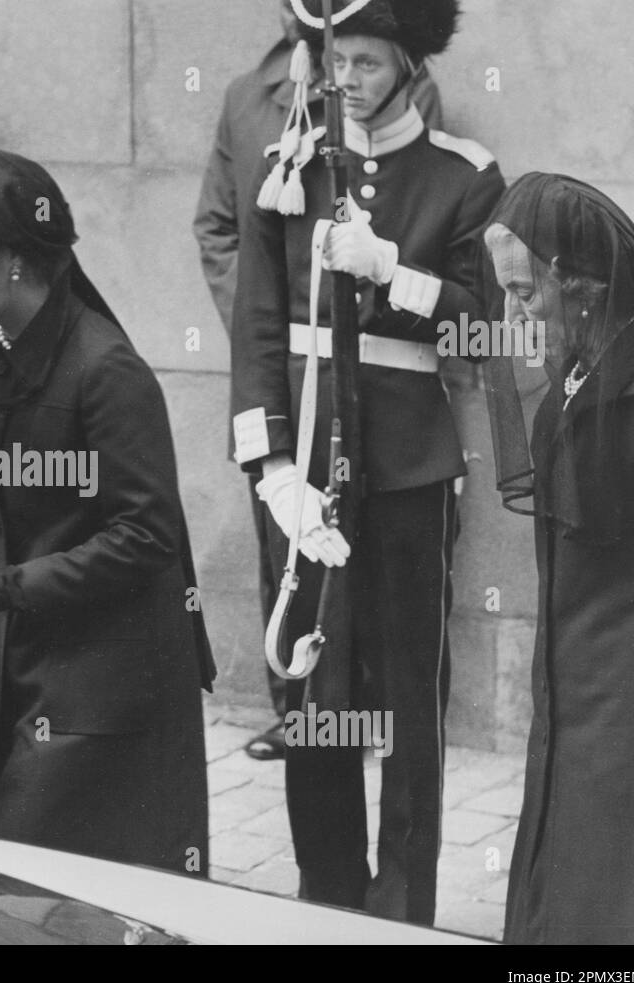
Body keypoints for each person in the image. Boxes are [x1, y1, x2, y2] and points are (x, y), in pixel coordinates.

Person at [230, 0, 504, 924]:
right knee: (315, 685)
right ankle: (328, 890)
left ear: (410, 66)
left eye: (367, 64)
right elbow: (259, 323)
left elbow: (486, 326)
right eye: (334, 58)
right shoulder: (287, 172)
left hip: (408, 469)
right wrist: (270, 464)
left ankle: (404, 906)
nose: (345, 79)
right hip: (306, 464)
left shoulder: (463, 176)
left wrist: (393, 271)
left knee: (409, 699)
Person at [0, 147, 215, 874]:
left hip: (111, 684)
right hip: (36, 663)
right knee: (41, 892)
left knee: (55, 881)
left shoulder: (105, 371)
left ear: (17, 258)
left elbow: (145, 537)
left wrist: (1, 590)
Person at [194, 0, 441, 761]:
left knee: (373, 569)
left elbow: (405, 190)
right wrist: (269, 318)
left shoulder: (395, 69)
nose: (350, 75)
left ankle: (367, 714)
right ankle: (300, 710)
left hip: (374, 374)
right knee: (290, 557)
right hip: (286, 376)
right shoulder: (246, 95)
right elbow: (222, 228)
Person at [483, 173, 634, 945]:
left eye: (524, 294)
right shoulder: (569, 388)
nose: (511, 317)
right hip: (573, 709)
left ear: (582, 287)